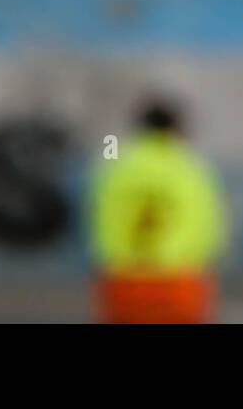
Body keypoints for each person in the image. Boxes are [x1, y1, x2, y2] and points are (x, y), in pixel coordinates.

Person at [90, 97, 228, 323]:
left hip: (124, 280)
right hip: (181, 281)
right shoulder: (191, 166)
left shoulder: (115, 167)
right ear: (176, 127)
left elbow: (98, 221)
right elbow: (210, 227)